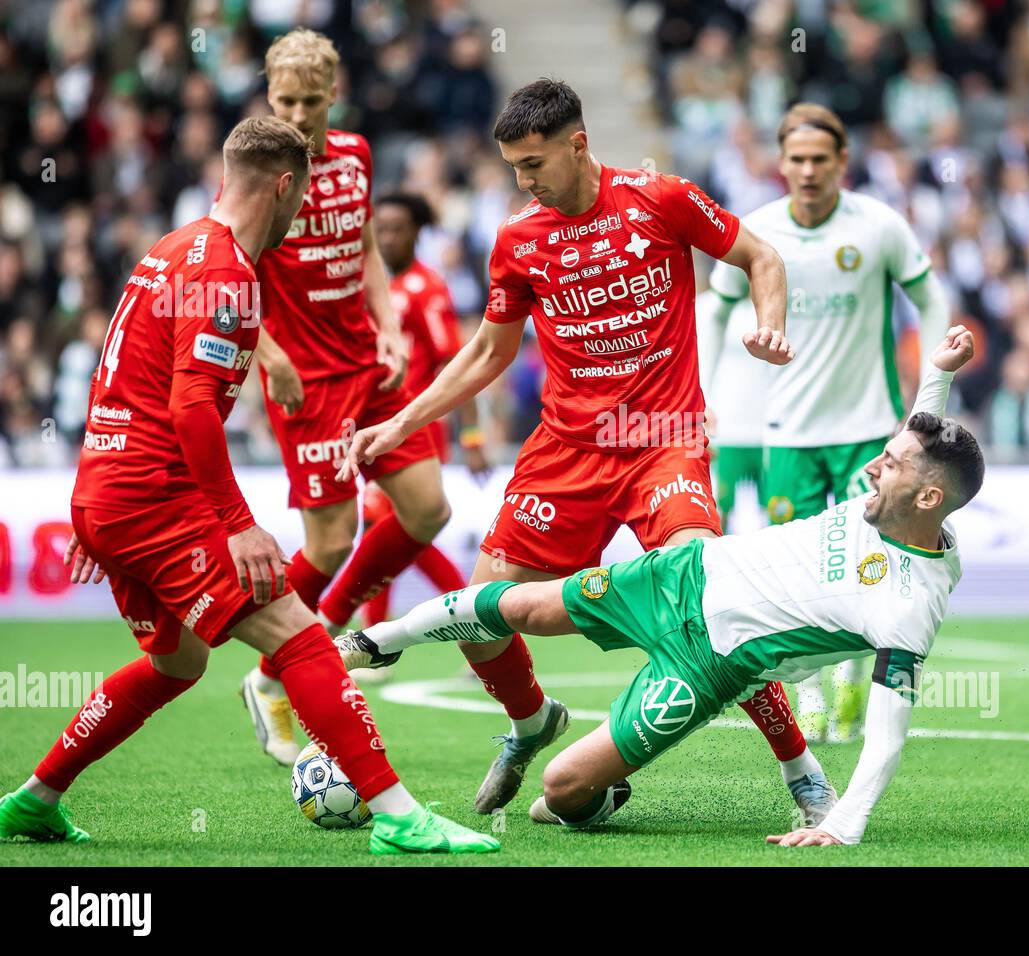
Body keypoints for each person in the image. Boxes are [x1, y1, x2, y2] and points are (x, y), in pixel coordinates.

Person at [336, 78, 833, 823]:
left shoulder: (661, 198)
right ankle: (533, 721)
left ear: (578, 144)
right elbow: (486, 354)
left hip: (663, 442)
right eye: (513, 168)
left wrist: (770, 325)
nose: (524, 182)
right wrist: (403, 424)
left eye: (534, 164)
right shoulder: (517, 239)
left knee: (711, 601)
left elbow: (762, 258)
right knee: (478, 613)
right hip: (565, 453)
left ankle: (802, 771)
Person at [0, 117, 497, 855]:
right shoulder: (226, 271)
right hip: (154, 497)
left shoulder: (170, 251)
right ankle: (398, 815)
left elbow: (121, 381)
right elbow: (190, 406)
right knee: (300, 638)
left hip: (110, 489)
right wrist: (237, 521)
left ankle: (33, 800)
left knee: (177, 662)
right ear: (285, 185)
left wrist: (92, 502)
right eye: (303, 195)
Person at [340, 327, 980, 844]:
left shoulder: (909, 602)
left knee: (558, 797)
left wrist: (843, 827)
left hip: (705, 667)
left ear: (927, 498)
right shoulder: (896, 495)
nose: (872, 467)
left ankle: (605, 790)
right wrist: (942, 372)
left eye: (888, 465)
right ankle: (375, 641)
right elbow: (921, 439)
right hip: (682, 576)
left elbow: (889, 733)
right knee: (523, 605)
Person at [700, 104, 951, 743]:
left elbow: (928, 296)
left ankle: (848, 686)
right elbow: (713, 308)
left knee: (868, 560)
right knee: (794, 573)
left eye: (820, 159)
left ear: (842, 162)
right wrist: (700, 395)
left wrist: (935, 383)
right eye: (797, 159)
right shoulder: (754, 231)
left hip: (869, 430)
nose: (808, 171)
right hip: (783, 432)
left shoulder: (879, 227)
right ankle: (811, 694)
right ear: (780, 163)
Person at [236, 30, 455, 765]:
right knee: (329, 541)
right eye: (283, 100)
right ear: (269, 97)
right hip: (309, 381)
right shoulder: (257, 173)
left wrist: (390, 329)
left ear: (334, 93)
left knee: (428, 509)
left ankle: (314, 641)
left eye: (308, 100)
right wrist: (270, 358)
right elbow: (231, 277)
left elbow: (363, 249)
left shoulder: (357, 156)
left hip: (367, 364)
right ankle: (271, 671)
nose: (296, 114)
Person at [354, 192, 491, 657]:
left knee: (400, 532)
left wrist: (471, 436)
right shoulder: (378, 288)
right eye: (381, 229)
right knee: (387, 532)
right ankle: (376, 644)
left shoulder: (427, 289)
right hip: (382, 425)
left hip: (413, 427)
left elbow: (454, 363)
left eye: (397, 229)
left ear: (416, 233)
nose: (387, 238)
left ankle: (473, 626)